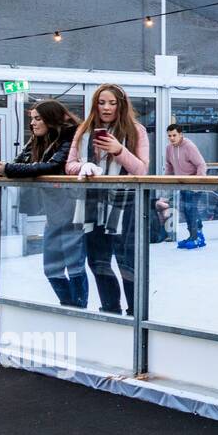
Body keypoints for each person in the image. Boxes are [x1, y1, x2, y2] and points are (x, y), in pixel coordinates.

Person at [0, 100, 87, 307]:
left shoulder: (71, 135)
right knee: (51, 268)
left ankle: (78, 310)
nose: (33, 124)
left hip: (72, 209)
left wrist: (9, 168)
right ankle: (70, 306)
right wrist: (6, 167)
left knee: (74, 266)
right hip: (53, 211)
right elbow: (19, 162)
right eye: (31, 119)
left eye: (37, 118)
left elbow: (53, 166)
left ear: (51, 119)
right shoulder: (38, 138)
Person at [66, 84, 150, 315]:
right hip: (91, 200)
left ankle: (136, 312)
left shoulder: (136, 131)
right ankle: (110, 308)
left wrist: (118, 150)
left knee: (127, 261)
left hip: (125, 203)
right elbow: (69, 165)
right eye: (102, 102)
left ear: (121, 105)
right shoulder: (84, 130)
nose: (106, 107)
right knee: (97, 260)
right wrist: (85, 165)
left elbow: (142, 170)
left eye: (112, 103)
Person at [165, 124, 208, 250]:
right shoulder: (169, 148)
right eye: (169, 136)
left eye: (174, 135)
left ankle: (196, 237)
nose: (172, 138)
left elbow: (201, 165)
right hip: (182, 185)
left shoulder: (189, 146)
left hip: (194, 185)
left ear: (180, 134)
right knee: (186, 210)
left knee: (191, 210)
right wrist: (165, 182)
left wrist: (197, 183)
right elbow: (169, 167)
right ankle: (194, 236)